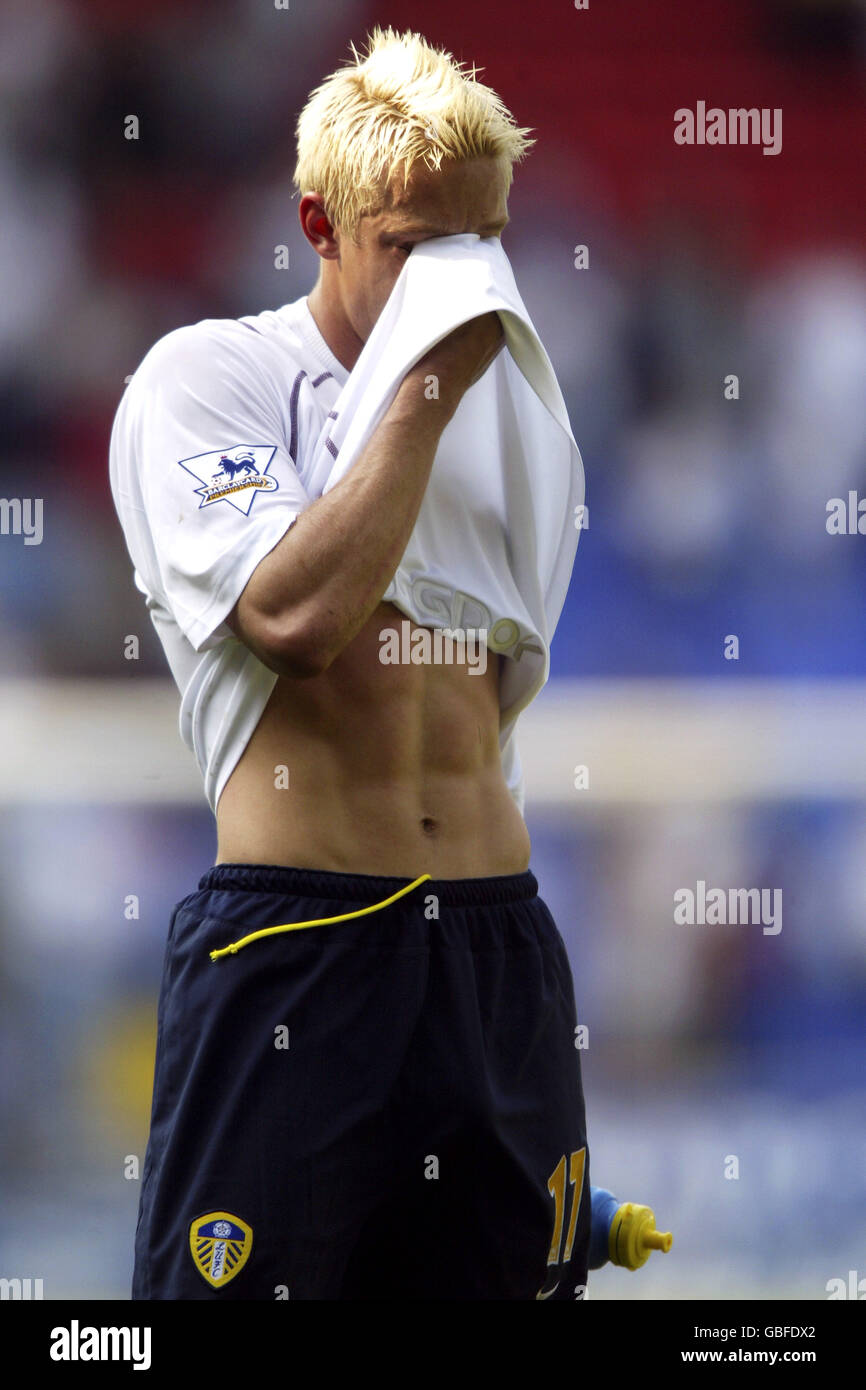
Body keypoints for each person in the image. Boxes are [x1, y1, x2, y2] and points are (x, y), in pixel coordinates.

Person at [110, 25, 590, 1301]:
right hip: (302, 945)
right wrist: (426, 385)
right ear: (319, 223)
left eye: (481, 245)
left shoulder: (517, 407)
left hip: (496, 954)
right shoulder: (208, 379)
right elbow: (295, 623)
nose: (460, 284)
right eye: (416, 248)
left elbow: (500, 680)